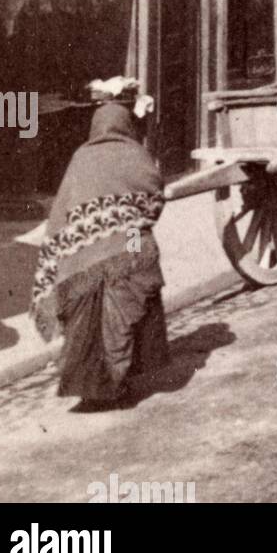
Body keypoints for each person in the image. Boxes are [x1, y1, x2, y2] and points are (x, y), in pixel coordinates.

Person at [30, 85, 169, 411]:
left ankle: (90, 387)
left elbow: (63, 211)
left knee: (87, 319)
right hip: (130, 247)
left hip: (83, 255)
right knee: (138, 267)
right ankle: (119, 382)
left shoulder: (81, 156)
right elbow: (154, 200)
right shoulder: (136, 153)